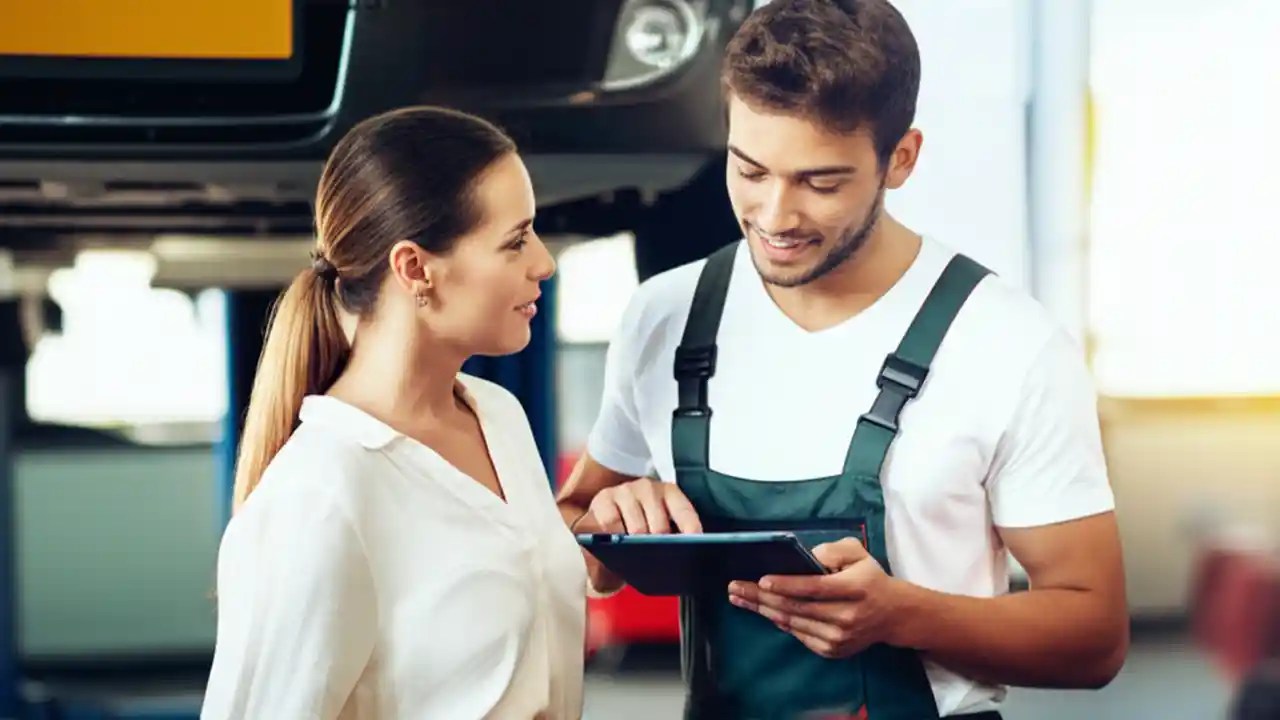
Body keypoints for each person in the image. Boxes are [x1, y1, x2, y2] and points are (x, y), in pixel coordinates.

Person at [556, 1, 1129, 718]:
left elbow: (1094, 637)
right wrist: (605, 525)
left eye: (820, 183)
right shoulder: (663, 316)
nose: (775, 216)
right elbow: (577, 531)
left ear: (901, 159)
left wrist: (903, 616)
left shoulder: (1006, 342)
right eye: (750, 171)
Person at [201, 106, 586, 720]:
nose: (544, 262)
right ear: (415, 268)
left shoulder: (498, 417)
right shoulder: (318, 496)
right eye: (515, 241)